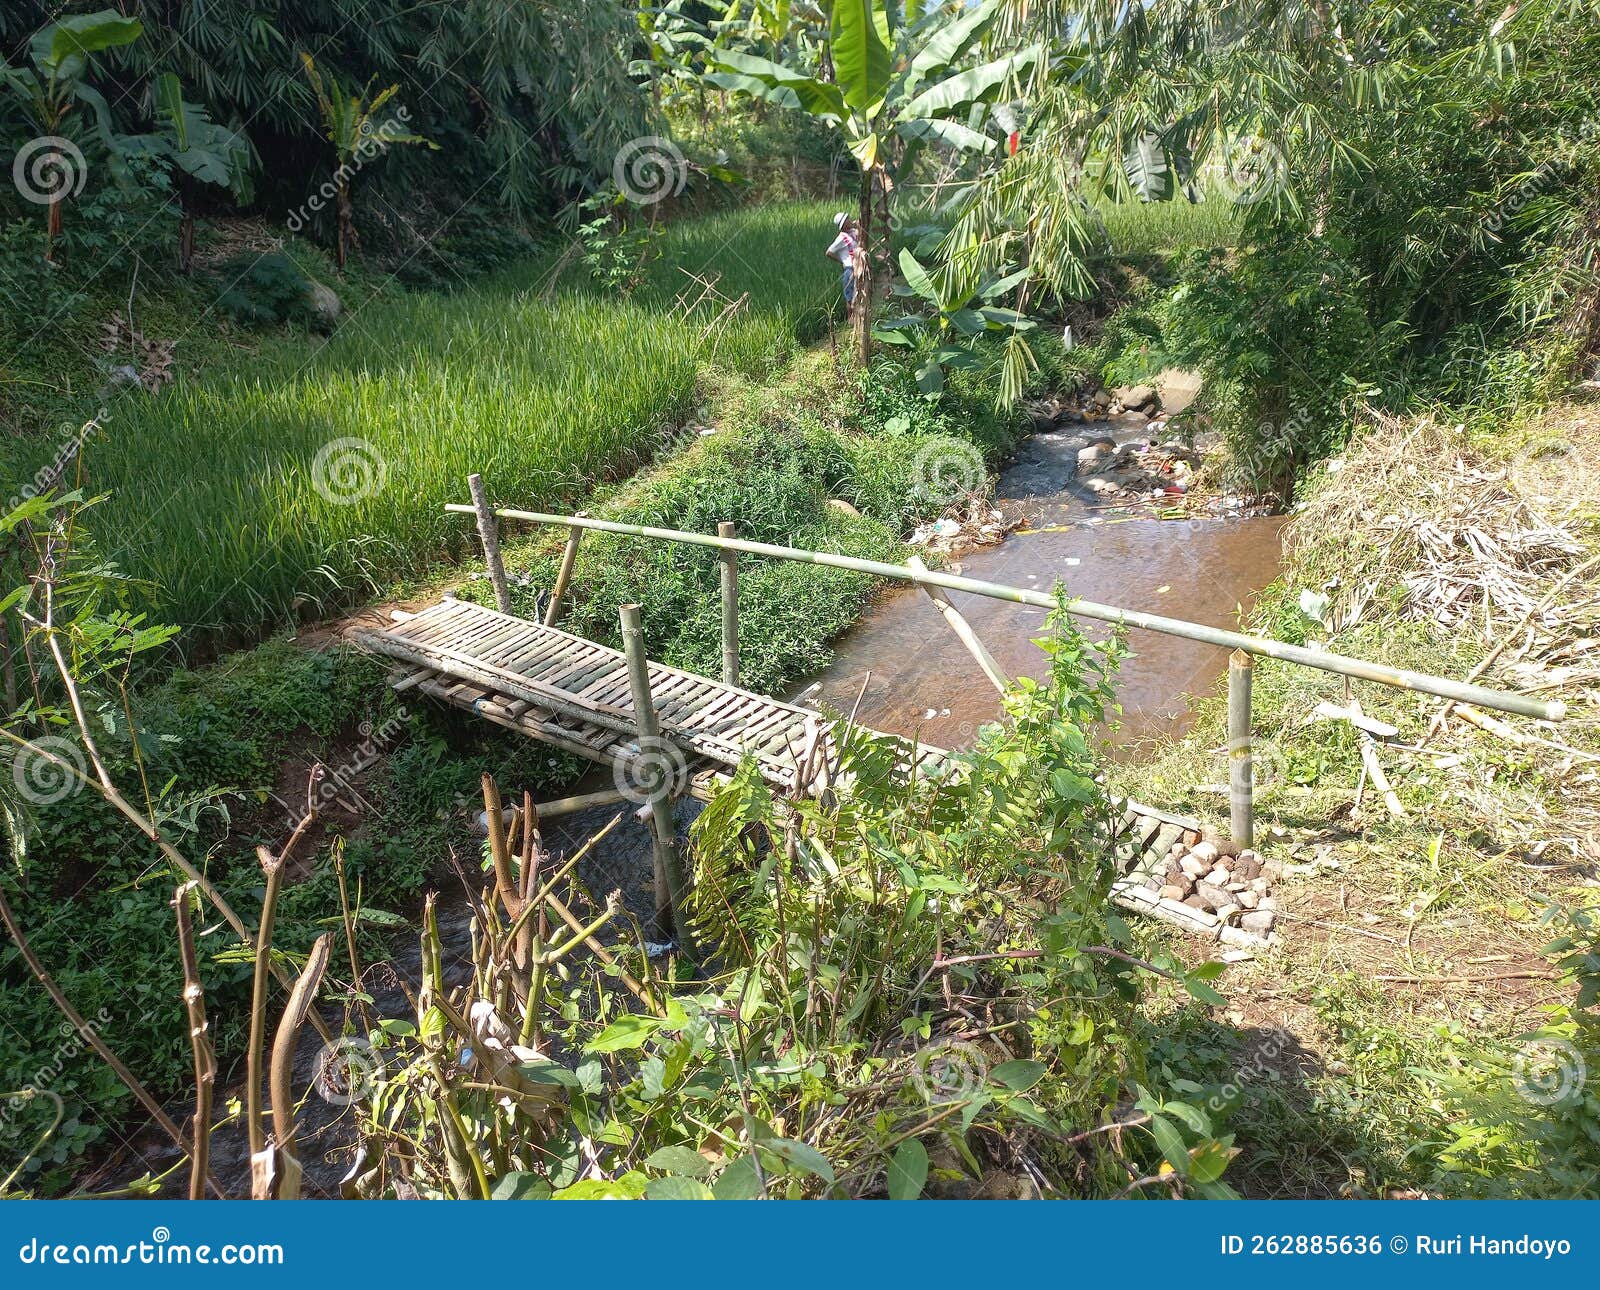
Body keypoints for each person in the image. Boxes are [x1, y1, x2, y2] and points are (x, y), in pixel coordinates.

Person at [825, 211, 859, 305]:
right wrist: (842, 261)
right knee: (850, 298)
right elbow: (829, 252)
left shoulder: (853, 232)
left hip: (859, 267)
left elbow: (861, 235)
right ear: (844, 224)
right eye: (847, 219)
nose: (850, 220)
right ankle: (851, 314)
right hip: (850, 269)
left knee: (859, 294)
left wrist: (860, 225)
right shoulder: (841, 238)